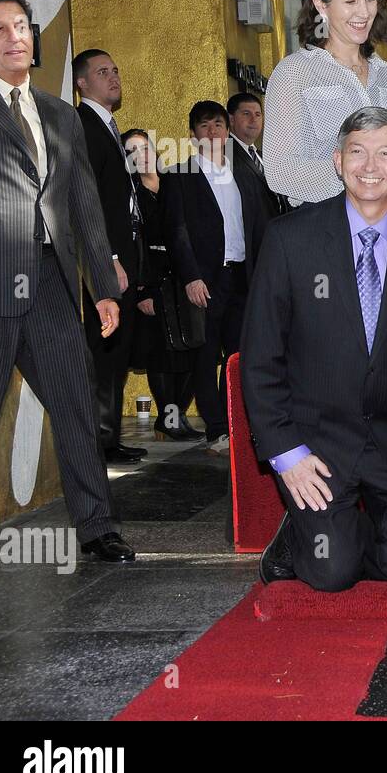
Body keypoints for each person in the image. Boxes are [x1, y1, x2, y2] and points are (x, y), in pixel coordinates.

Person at [245, 107, 387, 591]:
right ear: (337, 160)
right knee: (331, 573)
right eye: (358, 152)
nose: (370, 166)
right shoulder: (290, 239)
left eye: (385, 153)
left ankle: (351, 533)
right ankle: (309, 537)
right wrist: (287, 454)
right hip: (319, 442)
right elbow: (262, 358)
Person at [0, 0, 135, 570]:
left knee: (75, 408)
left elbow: (83, 205)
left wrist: (106, 286)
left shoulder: (61, 113)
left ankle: (98, 529)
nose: (16, 36)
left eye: (22, 25)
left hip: (51, 285)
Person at [263, 0, 387, 209]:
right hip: (324, 229)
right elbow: (281, 171)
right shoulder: (294, 73)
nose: (364, 12)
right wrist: (368, 179)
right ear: (320, 4)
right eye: (351, 1)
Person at [163, 100, 271, 456]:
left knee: (240, 356)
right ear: (193, 134)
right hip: (206, 281)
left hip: (243, 276)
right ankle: (216, 429)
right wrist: (191, 277)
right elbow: (176, 233)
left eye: (219, 126)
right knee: (206, 355)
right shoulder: (180, 175)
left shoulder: (244, 174)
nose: (213, 133)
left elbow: (258, 228)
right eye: (205, 126)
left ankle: (238, 424)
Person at [74, 48, 146, 464]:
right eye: (103, 72)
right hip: (104, 261)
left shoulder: (108, 127)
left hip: (123, 257)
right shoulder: (84, 125)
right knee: (103, 351)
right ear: (82, 83)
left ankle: (110, 437)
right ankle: (100, 442)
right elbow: (90, 202)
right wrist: (111, 258)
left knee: (117, 351)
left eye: (115, 70)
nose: (113, 77)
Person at [123, 129, 200, 441]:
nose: (140, 154)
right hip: (152, 282)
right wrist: (142, 288)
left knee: (193, 351)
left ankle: (175, 416)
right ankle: (168, 420)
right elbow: (134, 244)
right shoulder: (130, 195)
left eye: (144, 147)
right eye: (131, 151)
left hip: (184, 279)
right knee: (162, 356)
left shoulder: (174, 183)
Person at [227, 92, 288, 218]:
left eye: (258, 114)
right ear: (231, 120)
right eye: (246, 114)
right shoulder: (224, 155)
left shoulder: (264, 156)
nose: (253, 120)